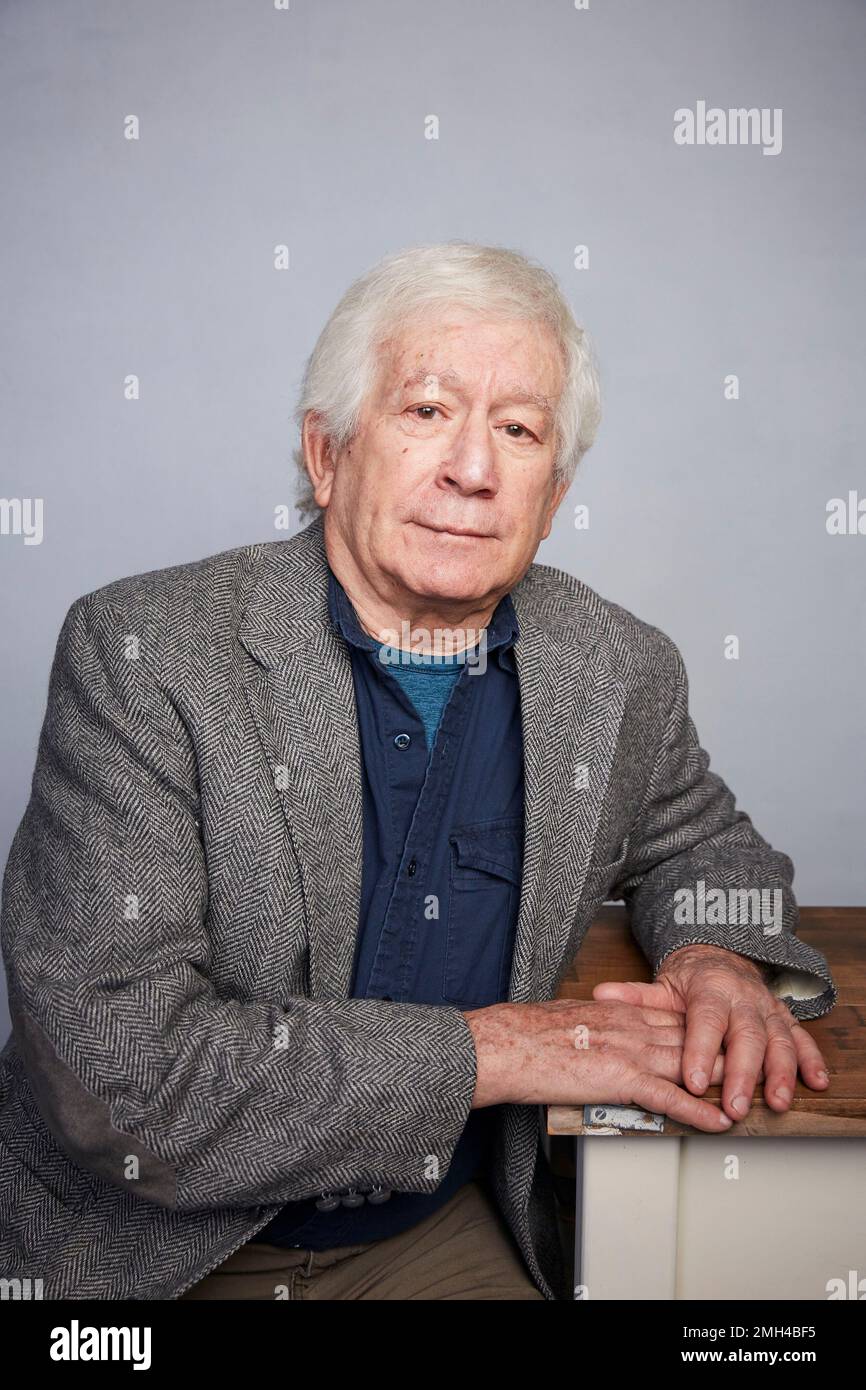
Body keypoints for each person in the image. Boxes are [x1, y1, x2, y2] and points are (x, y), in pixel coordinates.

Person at [0, 242, 836, 1301]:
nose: (473, 471)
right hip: (156, 1252)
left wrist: (717, 954)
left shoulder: (618, 669)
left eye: (518, 431)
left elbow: (705, 843)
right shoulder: (143, 654)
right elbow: (118, 1076)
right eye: (427, 411)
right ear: (326, 453)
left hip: (431, 1236)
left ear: (555, 491)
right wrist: (504, 1051)